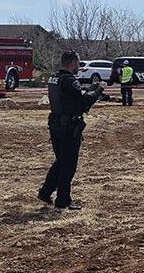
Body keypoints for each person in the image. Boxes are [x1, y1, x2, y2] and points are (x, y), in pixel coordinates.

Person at [38, 50, 105, 210]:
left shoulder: (55, 78)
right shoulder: (68, 80)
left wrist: (91, 87)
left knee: (61, 160)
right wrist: (99, 89)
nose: (79, 66)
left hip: (55, 124)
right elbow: (84, 100)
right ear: (73, 62)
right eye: (78, 62)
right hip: (68, 127)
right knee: (68, 165)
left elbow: (72, 95)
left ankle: (45, 192)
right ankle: (63, 200)